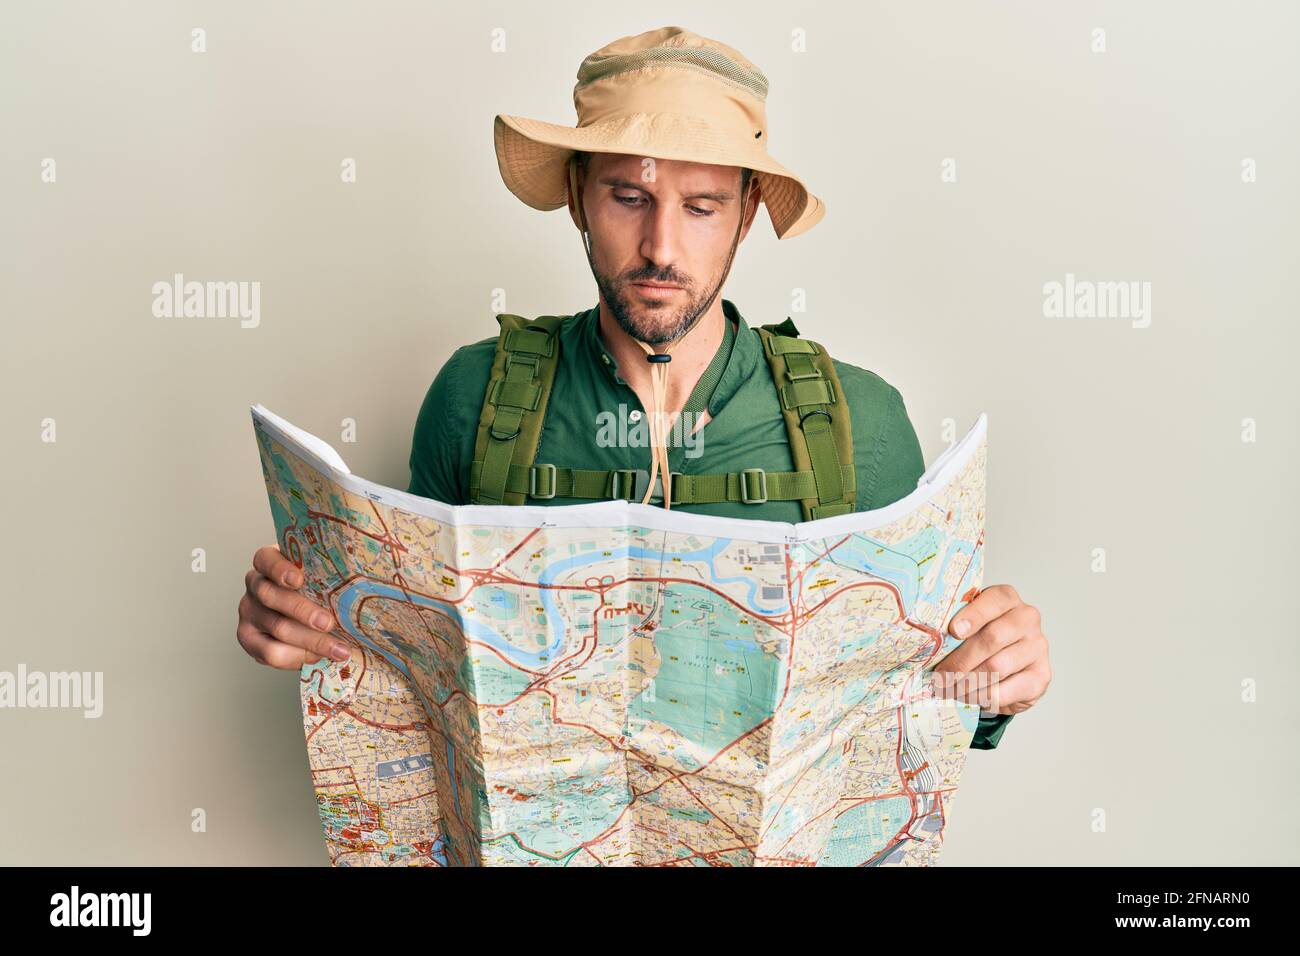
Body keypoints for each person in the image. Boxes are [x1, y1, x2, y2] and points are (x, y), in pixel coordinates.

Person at [236, 26, 1050, 750]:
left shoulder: (858, 422)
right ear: (578, 198)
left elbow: (917, 695)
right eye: (629, 197)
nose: (661, 247)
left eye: (701, 207)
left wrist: (995, 679)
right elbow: (420, 681)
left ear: (747, 212)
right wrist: (314, 628)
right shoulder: (473, 397)